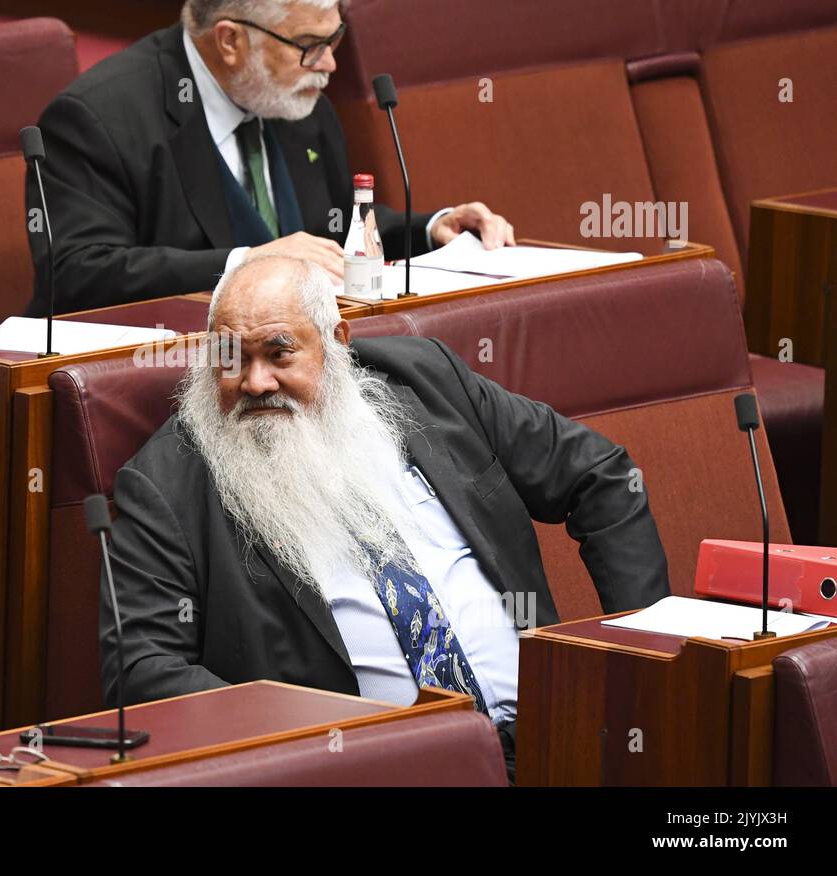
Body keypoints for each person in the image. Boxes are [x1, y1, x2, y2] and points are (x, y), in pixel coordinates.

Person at [100, 256, 670, 782]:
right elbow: (141, 671)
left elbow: (603, 476)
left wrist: (638, 657)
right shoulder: (169, 484)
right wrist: (315, 735)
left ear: (336, 342)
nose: (255, 382)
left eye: (279, 353)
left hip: (556, 741)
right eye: (230, 358)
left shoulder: (427, 380)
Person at [26, 0, 515, 315]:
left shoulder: (295, 99)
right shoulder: (100, 119)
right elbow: (76, 273)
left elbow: (331, 232)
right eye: (309, 46)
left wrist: (433, 229)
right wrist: (248, 263)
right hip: (164, 373)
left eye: (333, 39)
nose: (329, 65)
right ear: (231, 41)